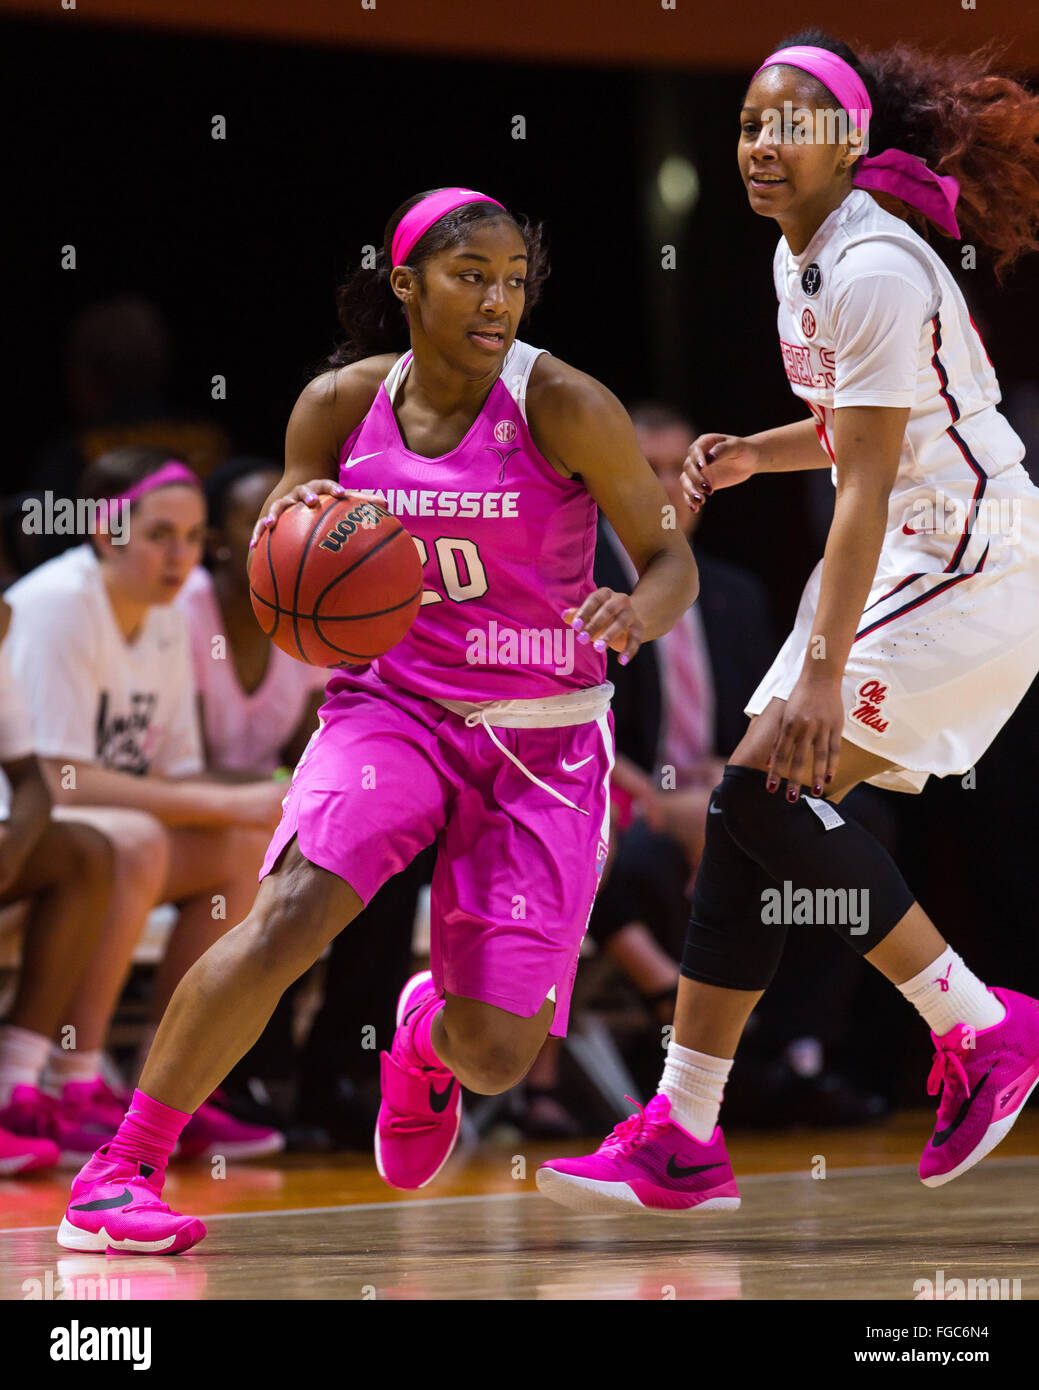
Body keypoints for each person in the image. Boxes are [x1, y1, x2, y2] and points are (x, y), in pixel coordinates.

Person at [57, 186, 698, 1254]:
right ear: (406, 285)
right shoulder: (338, 404)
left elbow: (670, 553)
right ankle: (121, 1169)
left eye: (511, 280)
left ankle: (424, 1035)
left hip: (543, 732)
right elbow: (285, 548)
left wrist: (638, 607)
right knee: (292, 909)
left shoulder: (567, 404)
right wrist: (289, 556)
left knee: (495, 1053)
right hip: (390, 706)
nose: (497, 300)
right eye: (469, 277)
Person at [538, 32, 1039, 1214]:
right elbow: (851, 434)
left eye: (794, 122)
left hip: (966, 554)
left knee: (762, 793)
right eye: (753, 121)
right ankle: (684, 1127)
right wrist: (754, 455)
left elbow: (867, 484)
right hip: (912, 540)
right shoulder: (796, 256)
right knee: (744, 811)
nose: (764, 142)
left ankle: (980, 1024)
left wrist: (820, 674)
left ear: (850, 143)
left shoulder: (873, 265)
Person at [5, 448, 286, 1164]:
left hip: (99, 841)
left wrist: (275, 797)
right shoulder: (61, 603)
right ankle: (73, 1081)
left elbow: (178, 771)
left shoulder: (167, 613)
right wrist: (213, 799)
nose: (181, 556)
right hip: (30, 836)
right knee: (136, 839)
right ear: (106, 533)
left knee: (244, 848)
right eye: (160, 534)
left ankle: (163, 1088)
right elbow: (57, 780)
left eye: (193, 538)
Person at [175, 457, 327, 778]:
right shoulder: (179, 613)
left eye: (292, 516)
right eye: (262, 519)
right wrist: (284, 794)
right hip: (183, 805)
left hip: (268, 807)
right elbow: (187, 773)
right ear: (216, 544)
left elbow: (308, 761)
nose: (286, 533)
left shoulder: (310, 619)